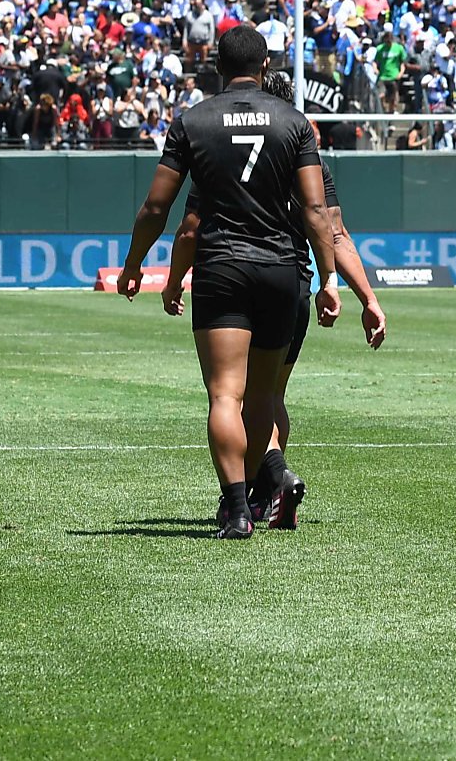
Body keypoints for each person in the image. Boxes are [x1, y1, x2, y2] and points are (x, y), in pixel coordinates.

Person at [115, 27, 338, 538]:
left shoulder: (192, 122)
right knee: (262, 398)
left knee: (223, 395)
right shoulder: (295, 122)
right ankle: (255, 498)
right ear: (265, 67)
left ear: (217, 67)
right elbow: (313, 209)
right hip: (282, 269)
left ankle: (236, 510)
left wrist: (133, 265)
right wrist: (327, 278)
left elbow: (158, 206)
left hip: (221, 268)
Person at [164, 68, 387, 529]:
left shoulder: (220, 151)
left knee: (232, 394)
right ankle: (267, 491)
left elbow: (189, 228)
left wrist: (173, 278)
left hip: (231, 272)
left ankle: (266, 481)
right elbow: (334, 231)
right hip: (293, 285)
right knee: (271, 395)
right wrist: (360, 294)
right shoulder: (308, 158)